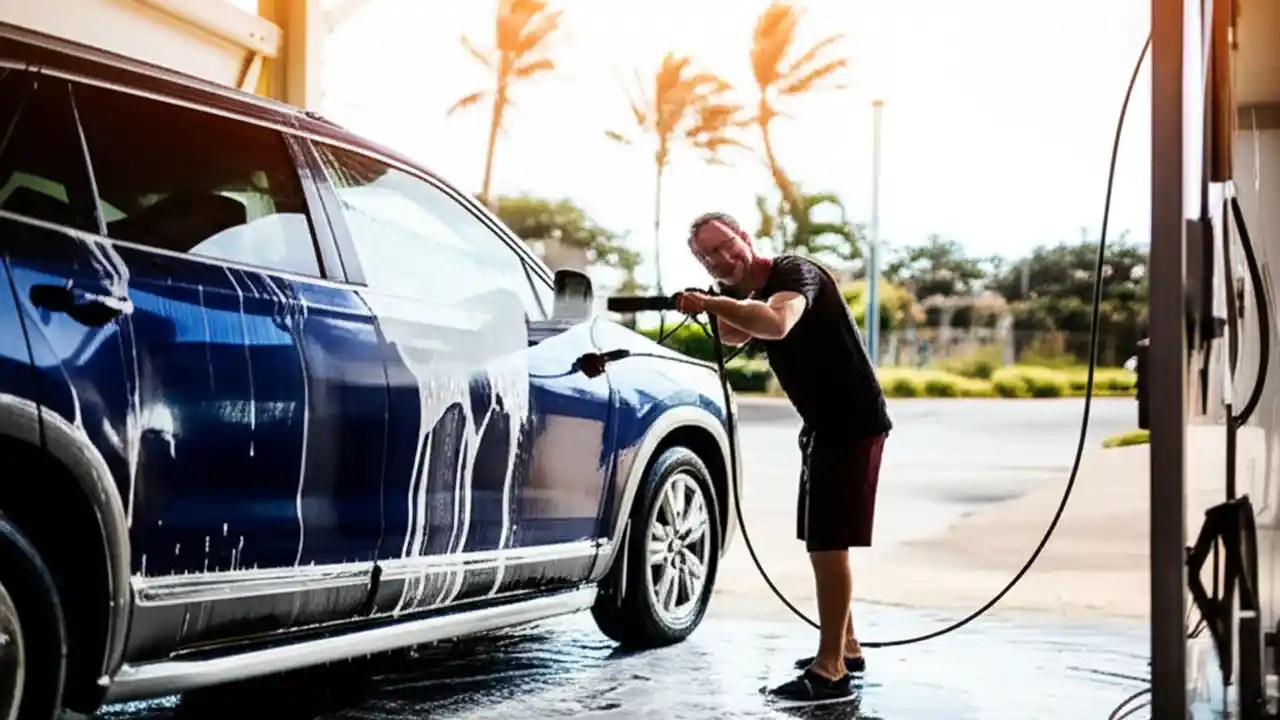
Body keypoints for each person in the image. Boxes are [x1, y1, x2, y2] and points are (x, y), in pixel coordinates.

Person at [675, 211, 892, 705]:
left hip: (850, 424)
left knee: (828, 544)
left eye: (725, 245)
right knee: (823, 537)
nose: (721, 257)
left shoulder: (795, 274)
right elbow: (733, 334)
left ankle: (830, 669)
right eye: (708, 255)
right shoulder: (754, 294)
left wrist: (710, 301)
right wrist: (714, 307)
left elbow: (776, 323)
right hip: (823, 426)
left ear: (745, 238)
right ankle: (848, 646)